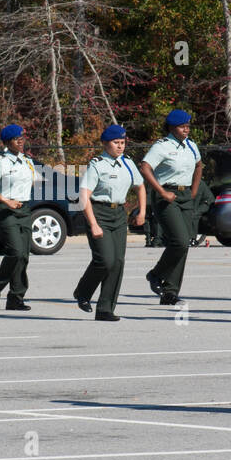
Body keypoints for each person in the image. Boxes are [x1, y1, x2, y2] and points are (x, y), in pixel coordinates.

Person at [73, 124, 146, 321]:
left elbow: (140, 186)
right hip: (98, 213)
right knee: (105, 260)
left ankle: (105, 308)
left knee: (118, 263)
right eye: (116, 143)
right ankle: (83, 291)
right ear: (105, 144)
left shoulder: (128, 163)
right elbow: (84, 196)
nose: (120, 146)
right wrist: (94, 224)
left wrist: (142, 212)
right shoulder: (97, 164)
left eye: (123, 143)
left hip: (119, 215)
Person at [141, 109, 202, 305]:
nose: (186, 129)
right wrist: (161, 191)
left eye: (188, 126)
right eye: (182, 126)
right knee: (180, 241)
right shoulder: (162, 146)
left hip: (185, 195)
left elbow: (199, 165)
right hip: (167, 195)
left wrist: (193, 191)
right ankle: (156, 274)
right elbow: (145, 167)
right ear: (172, 128)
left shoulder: (191, 146)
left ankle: (170, 292)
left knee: (184, 245)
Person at [0, 124, 35, 311]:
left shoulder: (28, 161)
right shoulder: (0, 162)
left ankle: (15, 298)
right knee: (16, 251)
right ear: (7, 142)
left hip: (24, 209)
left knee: (24, 255)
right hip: (6, 210)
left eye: (22, 138)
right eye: (15, 139)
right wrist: (6, 200)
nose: (20, 141)